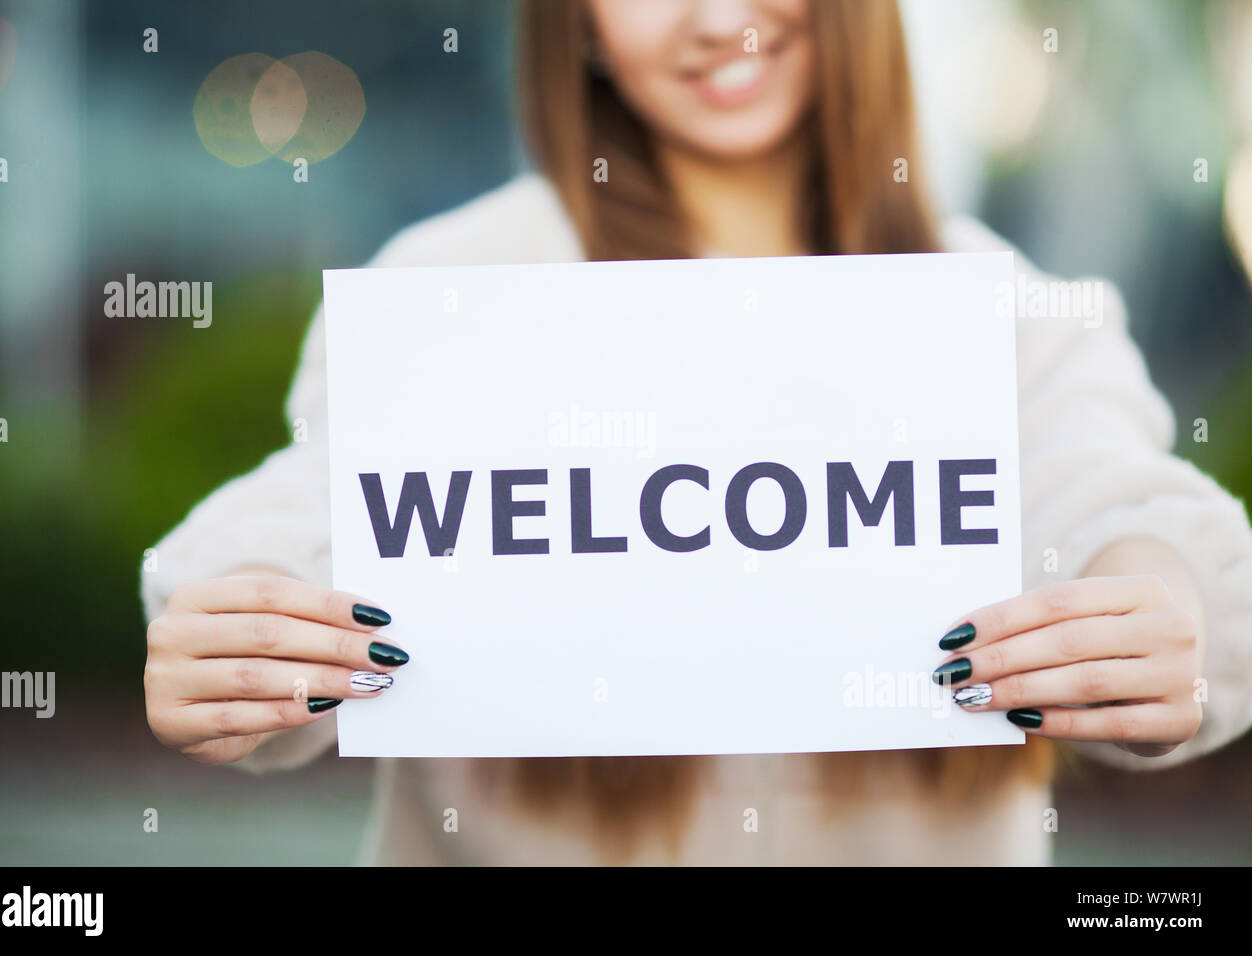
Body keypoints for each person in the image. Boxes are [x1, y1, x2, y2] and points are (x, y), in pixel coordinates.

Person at [141, 0, 1252, 864]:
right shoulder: (452, 290)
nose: (719, 19)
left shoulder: (1004, 308)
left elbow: (1111, 490)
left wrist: (1154, 601)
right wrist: (241, 614)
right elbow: (321, 510)